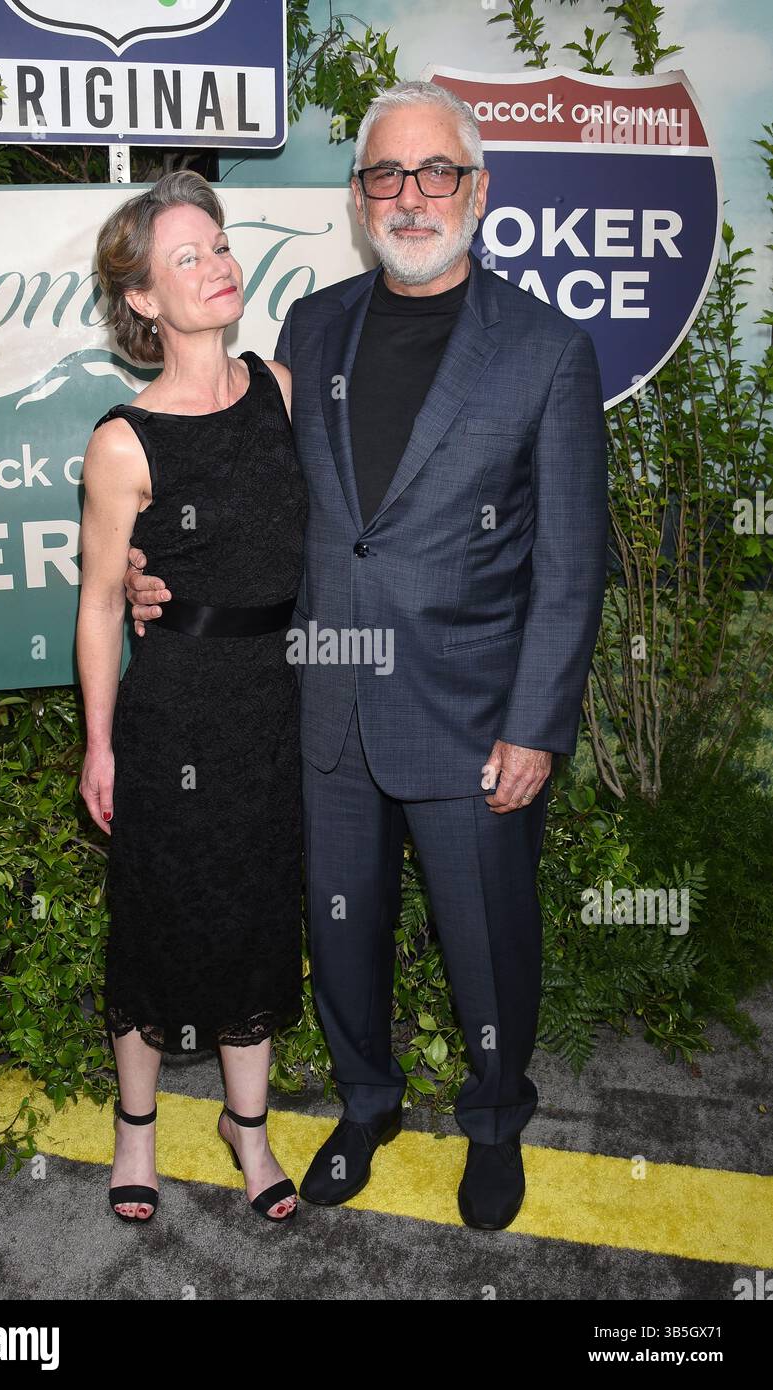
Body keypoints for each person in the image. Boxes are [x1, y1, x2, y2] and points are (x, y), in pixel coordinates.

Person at [126, 80, 609, 1231]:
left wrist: (537, 723)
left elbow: (573, 563)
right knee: (342, 932)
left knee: (487, 945)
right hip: (326, 707)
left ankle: (495, 1120)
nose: (410, 195)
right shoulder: (312, 329)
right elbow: (261, 505)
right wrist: (161, 580)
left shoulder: (544, 350)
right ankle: (368, 1101)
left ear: (476, 189)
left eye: (434, 171)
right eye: (385, 175)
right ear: (358, 198)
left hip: (474, 716)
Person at [76, 170, 307, 1225]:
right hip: (171, 709)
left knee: (257, 917)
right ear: (142, 300)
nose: (217, 265)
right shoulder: (123, 441)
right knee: (157, 923)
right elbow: (94, 606)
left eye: (218, 245)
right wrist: (99, 744)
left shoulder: (285, 390)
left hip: (275, 709)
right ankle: (137, 1132)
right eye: (186, 257)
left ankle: (246, 1134)